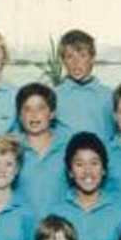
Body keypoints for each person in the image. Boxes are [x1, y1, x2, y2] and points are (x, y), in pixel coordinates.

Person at [13, 82, 73, 214]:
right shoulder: (11, 147)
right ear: (19, 115)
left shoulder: (69, 146)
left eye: (40, 108)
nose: (34, 115)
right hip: (21, 227)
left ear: (52, 113)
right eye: (27, 109)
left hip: (60, 227)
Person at [54, 29, 114, 141]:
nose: (76, 62)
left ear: (92, 58)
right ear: (63, 60)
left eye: (82, 56)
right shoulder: (54, 96)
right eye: (70, 57)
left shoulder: (109, 96)